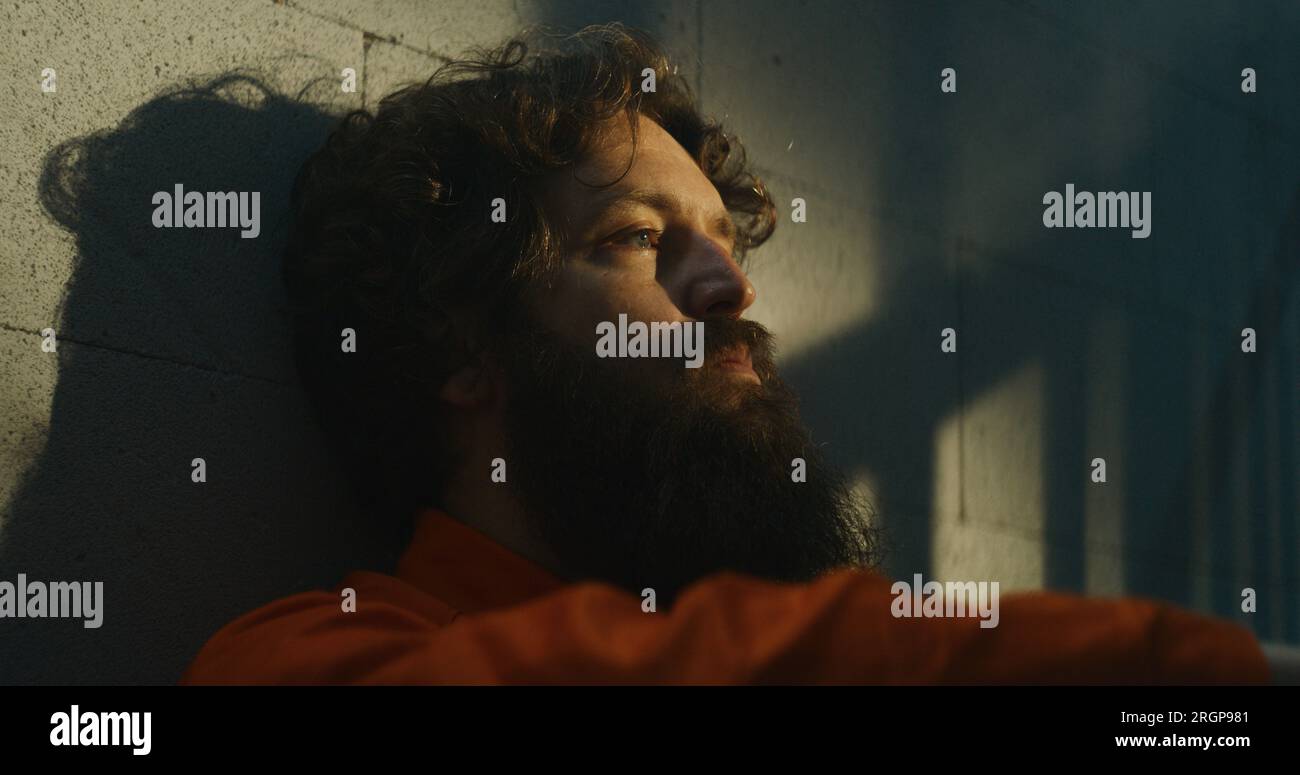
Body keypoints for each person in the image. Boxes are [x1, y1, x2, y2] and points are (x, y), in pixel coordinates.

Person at [181, 25, 1272, 685]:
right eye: (638, 240)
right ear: (461, 346)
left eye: (725, 243)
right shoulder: (308, 659)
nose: (733, 289)